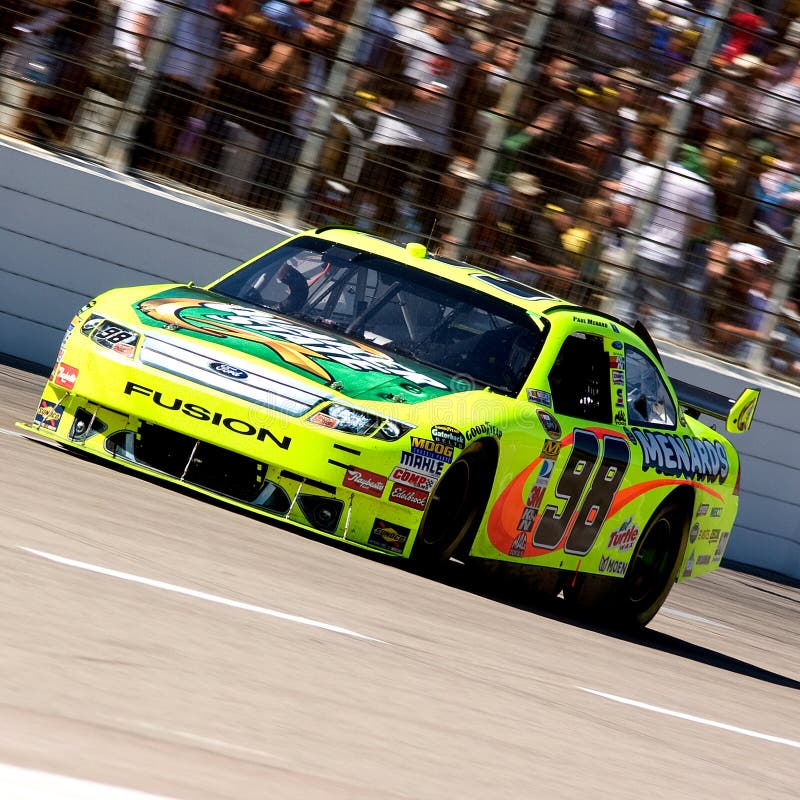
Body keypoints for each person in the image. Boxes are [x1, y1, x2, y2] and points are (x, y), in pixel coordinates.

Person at [612, 112, 716, 338]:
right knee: (663, 316)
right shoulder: (696, 184)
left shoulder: (636, 175)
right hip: (666, 255)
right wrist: (675, 233)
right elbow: (702, 227)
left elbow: (621, 215)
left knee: (623, 307)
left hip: (634, 250)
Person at [126, 0, 228, 175]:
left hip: (187, 84)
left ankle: (146, 167)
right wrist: (148, 65)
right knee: (152, 128)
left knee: (166, 135)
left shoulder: (209, 9)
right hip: (162, 74)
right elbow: (143, 24)